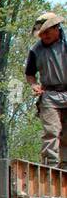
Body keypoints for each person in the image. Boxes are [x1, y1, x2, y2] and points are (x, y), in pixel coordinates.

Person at [26, 11, 67, 168]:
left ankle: (65, 167)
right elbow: (30, 74)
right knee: (51, 132)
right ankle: (51, 167)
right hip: (49, 95)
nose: (44, 36)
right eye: (41, 34)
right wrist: (34, 85)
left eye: (47, 32)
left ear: (57, 28)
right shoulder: (36, 50)